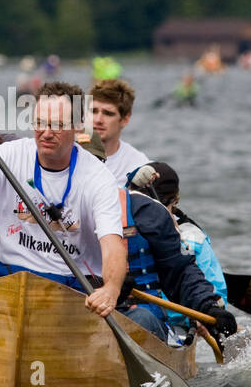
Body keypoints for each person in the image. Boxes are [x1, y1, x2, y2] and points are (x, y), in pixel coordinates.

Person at [0, 82, 125, 319]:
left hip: (71, 283)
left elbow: (113, 245)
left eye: (57, 125)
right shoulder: (9, 156)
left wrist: (110, 289)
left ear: (78, 126)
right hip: (9, 275)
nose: (46, 133)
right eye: (40, 123)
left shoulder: (99, 178)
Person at [78, 141, 233, 345]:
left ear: (102, 168)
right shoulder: (37, 211)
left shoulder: (146, 211)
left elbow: (179, 273)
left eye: (88, 165)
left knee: (141, 320)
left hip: (135, 314)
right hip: (68, 311)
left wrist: (208, 306)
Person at [131, 162, 229, 331]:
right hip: (161, 318)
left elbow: (205, 288)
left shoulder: (192, 239)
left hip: (170, 322)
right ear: (176, 199)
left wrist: (204, 312)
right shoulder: (194, 238)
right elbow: (216, 289)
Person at [88, 79, 150, 186]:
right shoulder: (67, 154)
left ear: (125, 119)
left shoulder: (138, 165)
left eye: (108, 113)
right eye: (93, 111)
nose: (98, 120)